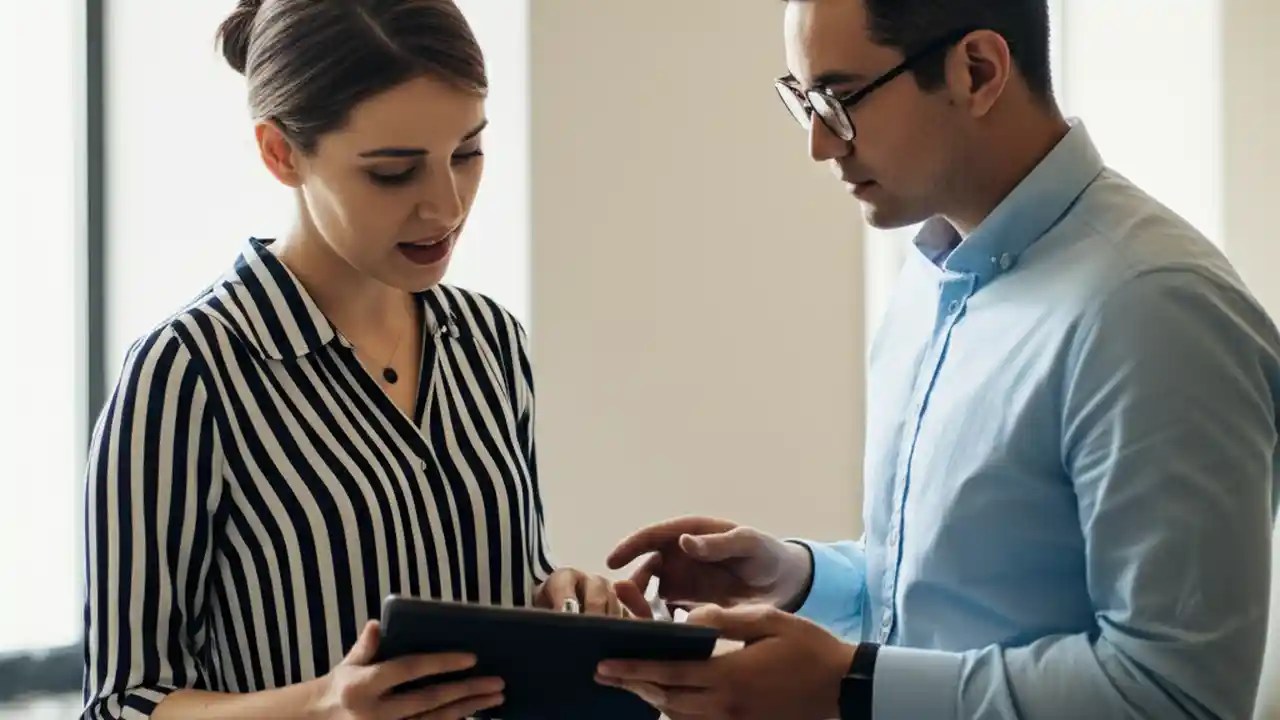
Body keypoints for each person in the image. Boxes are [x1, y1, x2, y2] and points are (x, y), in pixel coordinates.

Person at [597, 0, 1280, 718]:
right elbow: (948, 600)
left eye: (841, 98)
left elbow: (1176, 696)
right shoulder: (931, 278)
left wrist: (848, 684)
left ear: (977, 71)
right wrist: (792, 577)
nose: (820, 145)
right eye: (805, 102)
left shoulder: (1155, 311)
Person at [81, 2, 628, 718]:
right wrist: (323, 708)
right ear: (280, 153)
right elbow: (120, 703)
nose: (446, 206)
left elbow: (498, 585)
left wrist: (555, 599)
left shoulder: (490, 342)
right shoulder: (188, 371)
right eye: (393, 173)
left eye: (467, 153)